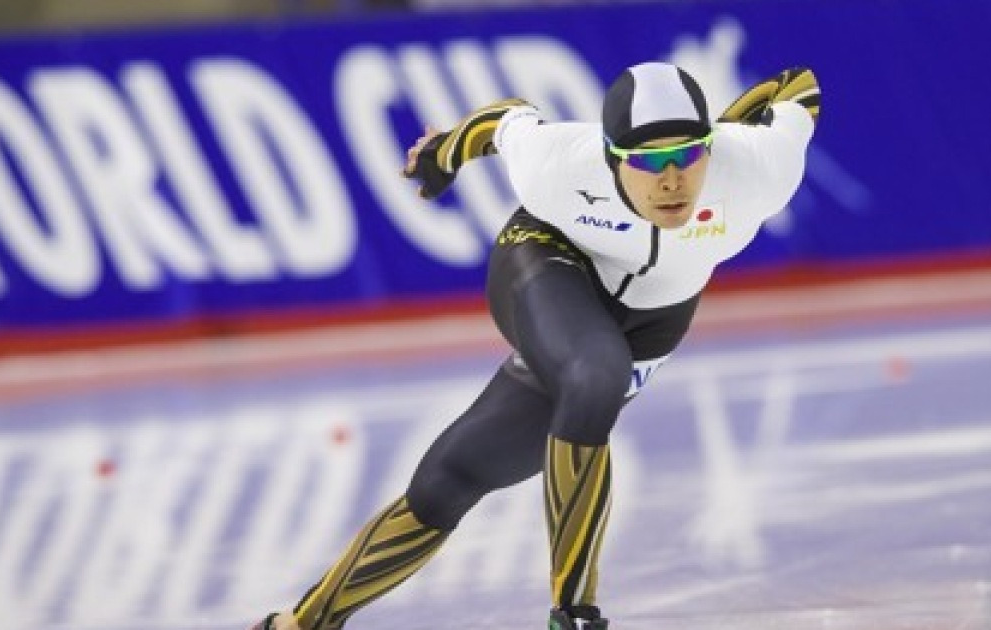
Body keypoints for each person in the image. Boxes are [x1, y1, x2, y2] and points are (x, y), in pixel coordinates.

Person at [250, 61, 821, 630]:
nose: (671, 178)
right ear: (610, 158)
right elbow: (507, 121)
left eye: (688, 154)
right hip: (547, 260)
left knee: (454, 476)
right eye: (647, 161)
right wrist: (445, 152)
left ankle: (300, 623)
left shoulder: (757, 169)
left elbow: (801, 87)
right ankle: (574, 614)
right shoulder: (560, 162)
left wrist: (747, 118)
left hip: (655, 318)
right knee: (595, 370)